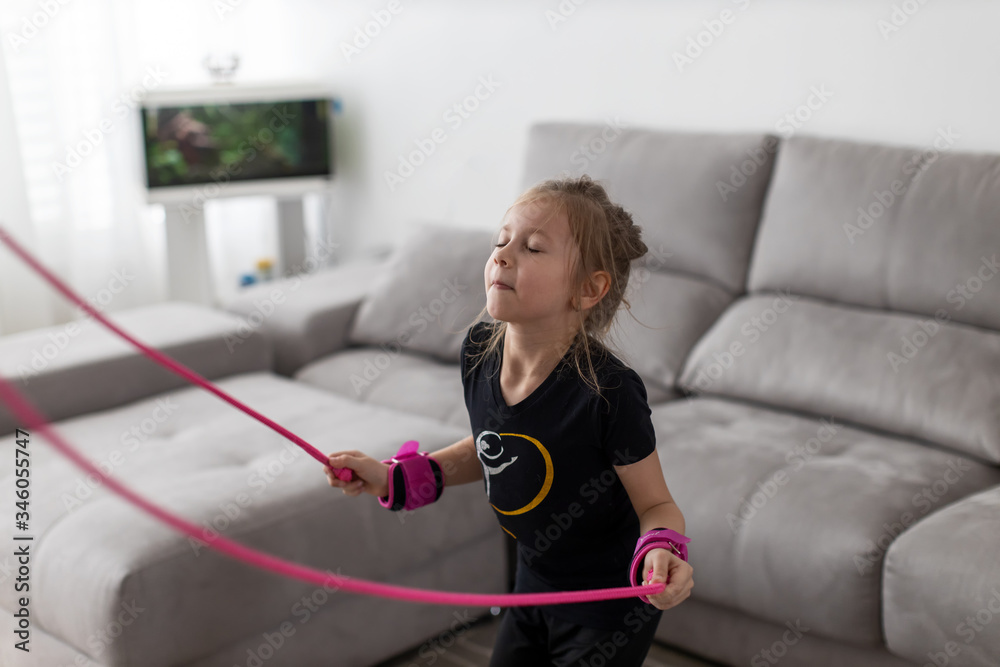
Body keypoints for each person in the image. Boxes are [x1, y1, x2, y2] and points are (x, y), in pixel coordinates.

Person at [326, 174, 694, 666]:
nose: (502, 255)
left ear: (588, 288)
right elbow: (492, 445)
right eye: (500, 241)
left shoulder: (608, 392)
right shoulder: (479, 351)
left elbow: (657, 504)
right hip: (531, 584)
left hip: (608, 608)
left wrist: (663, 551)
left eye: (533, 248)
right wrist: (403, 476)